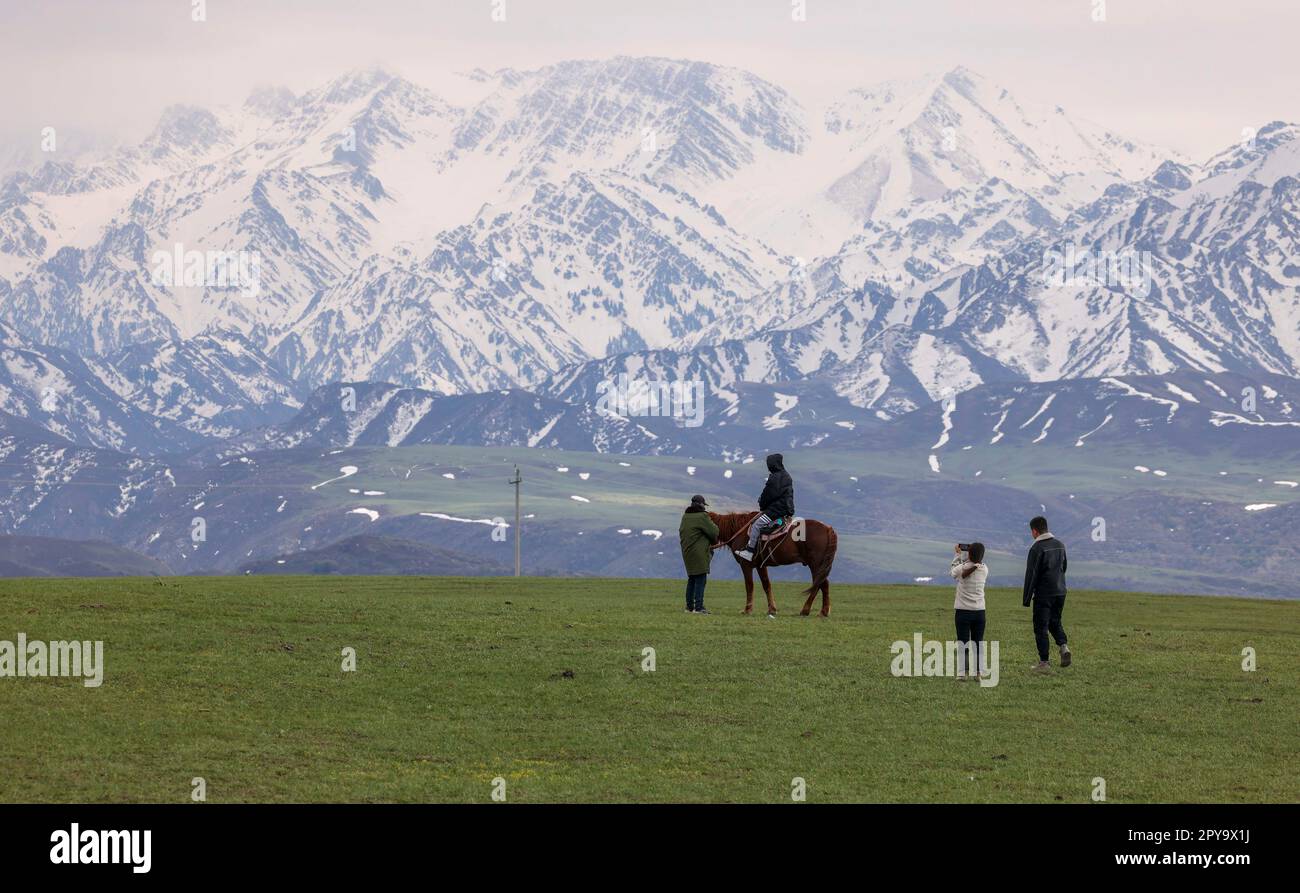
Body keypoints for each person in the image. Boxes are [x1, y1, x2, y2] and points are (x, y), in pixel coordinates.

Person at [1023, 516, 1071, 670]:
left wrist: (1027, 598)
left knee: (1041, 627)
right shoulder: (1060, 545)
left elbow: (1032, 574)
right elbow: (1064, 567)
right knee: (1055, 621)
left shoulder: (1037, 548)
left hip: (1044, 593)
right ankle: (1064, 646)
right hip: (1060, 591)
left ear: (1034, 531)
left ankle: (1044, 662)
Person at [735, 453, 794, 562]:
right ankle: (778, 523)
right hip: (786, 509)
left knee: (756, 525)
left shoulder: (775, 477)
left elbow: (768, 494)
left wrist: (762, 504)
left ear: (772, 464)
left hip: (775, 510)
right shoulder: (786, 475)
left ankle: (749, 551)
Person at [950, 543, 988, 680]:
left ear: (969, 554)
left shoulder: (962, 568)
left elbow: (953, 571)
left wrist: (958, 554)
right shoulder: (985, 569)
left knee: (963, 642)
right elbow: (974, 565)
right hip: (979, 612)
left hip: (963, 612)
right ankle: (978, 673)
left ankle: (962, 673)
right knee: (978, 642)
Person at [679, 494, 719, 614]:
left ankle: (689, 607)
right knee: (701, 579)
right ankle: (699, 607)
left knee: (692, 579)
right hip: (699, 553)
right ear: (701, 505)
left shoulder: (685, 517)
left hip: (687, 552)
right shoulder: (702, 516)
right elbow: (714, 532)